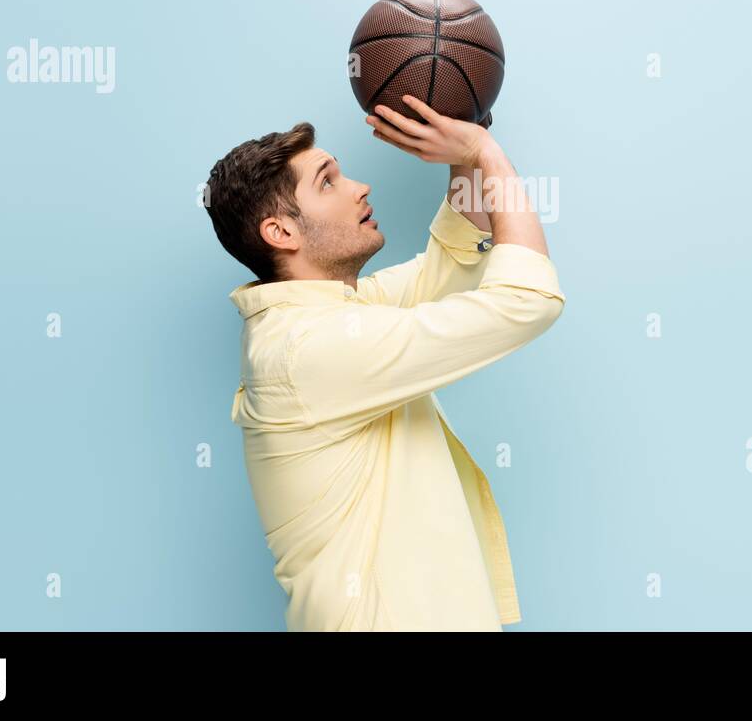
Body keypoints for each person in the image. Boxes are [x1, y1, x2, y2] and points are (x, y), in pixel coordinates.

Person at [204, 94, 565, 630]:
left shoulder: (324, 320)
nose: (359, 187)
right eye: (328, 181)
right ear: (281, 232)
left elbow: (450, 264)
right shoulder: (311, 350)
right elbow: (527, 300)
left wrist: (462, 140)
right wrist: (486, 153)